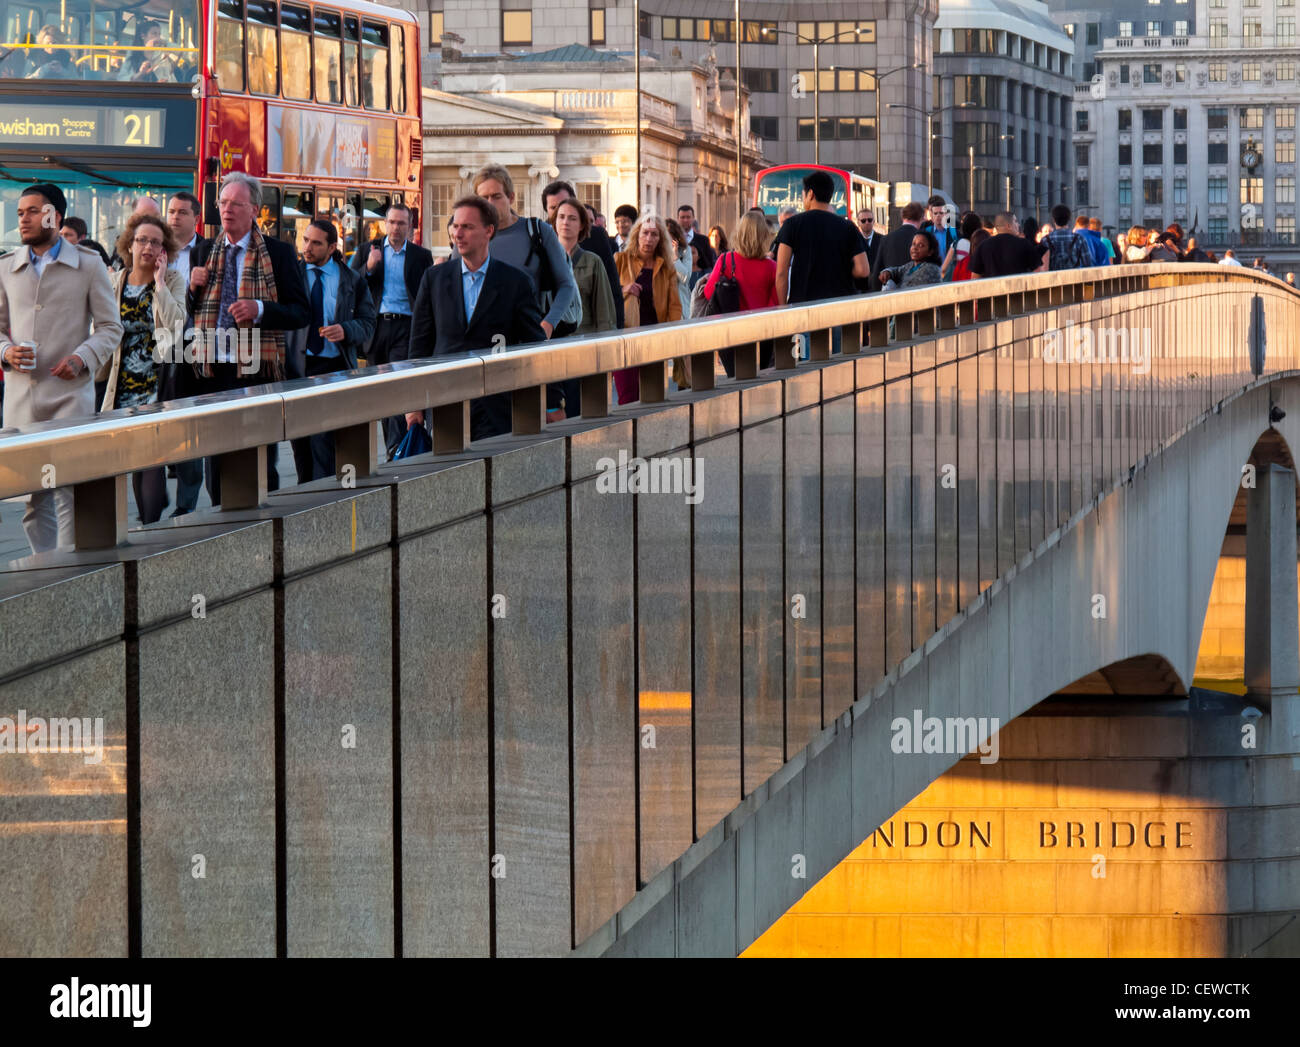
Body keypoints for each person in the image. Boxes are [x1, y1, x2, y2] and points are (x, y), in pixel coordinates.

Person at [0, 183, 122, 553]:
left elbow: (110, 327)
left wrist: (82, 357)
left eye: (33, 211)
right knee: (33, 500)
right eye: (21, 212)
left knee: (70, 490)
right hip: (23, 399)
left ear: (55, 215)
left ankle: (70, 574)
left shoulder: (88, 264)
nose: (24, 218)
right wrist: (6, 351)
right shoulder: (6, 267)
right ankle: (43, 574)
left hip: (71, 397)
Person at [187, 171, 309, 504]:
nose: (227, 210)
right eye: (222, 203)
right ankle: (220, 523)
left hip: (258, 370)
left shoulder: (279, 253)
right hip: (212, 369)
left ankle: (261, 525)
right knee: (217, 461)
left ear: (254, 209)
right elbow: (191, 313)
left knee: (258, 461)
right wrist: (191, 288)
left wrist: (260, 308)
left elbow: (301, 312)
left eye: (236, 204)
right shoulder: (204, 252)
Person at [405, 195, 546, 441]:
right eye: (455, 226)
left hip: (497, 406)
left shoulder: (516, 282)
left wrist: (551, 402)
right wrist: (414, 402)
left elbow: (534, 345)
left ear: (489, 231)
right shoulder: (434, 278)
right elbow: (420, 344)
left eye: (467, 227)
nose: (458, 234)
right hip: (445, 401)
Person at [455, 165, 578, 419]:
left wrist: (548, 324)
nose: (489, 203)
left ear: (511, 197)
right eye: (483, 198)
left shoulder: (537, 231)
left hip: (528, 342)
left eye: (496, 196)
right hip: (483, 351)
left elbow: (566, 285)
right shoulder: (468, 236)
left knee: (533, 419)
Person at [98, 212, 186, 523]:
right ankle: (150, 509)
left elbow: (176, 325)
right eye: (141, 240)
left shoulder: (173, 281)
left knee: (151, 455)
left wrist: (160, 285)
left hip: (157, 381)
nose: (147, 247)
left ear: (165, 250)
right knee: (133, 456)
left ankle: (149, 523)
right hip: (119, 382)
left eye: (155, 242)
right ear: (129, 245)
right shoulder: (113, 282)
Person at [287, 219, 376, 481]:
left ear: (331, 247)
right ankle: (306, 496)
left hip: (333, 369)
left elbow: (369, 323)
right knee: (300, 442)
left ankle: (321, 499)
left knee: (322, 440)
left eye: (316, 243)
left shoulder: (351, 280)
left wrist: (346, 330)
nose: (308, 247)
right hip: (298, 369)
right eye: (305, 240)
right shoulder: (293, 274)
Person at [350, 201, 432, 451]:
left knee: (398, 382)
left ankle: (396, 444)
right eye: (392, 222)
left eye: (401, 223)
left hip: (406, 326)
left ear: (409, 227)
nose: (396, 228)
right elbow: (350, 284)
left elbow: (427, 293)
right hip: (376, 328)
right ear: (385, 224)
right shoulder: (368, 250)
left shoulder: (421, 255)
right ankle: (393, 444)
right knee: (383, 388)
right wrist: (369, 267)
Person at [161, 191, 209, 514]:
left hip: (196, 346)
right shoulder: (153, 248)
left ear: (196, 218)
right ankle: (153, 496)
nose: (175, 217)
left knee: (191, 422)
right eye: (171, 211)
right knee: (161, 423)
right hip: (160, 345)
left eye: (182, 212)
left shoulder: (209, 251)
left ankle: (186, 504)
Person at [774, 170, 870, 307]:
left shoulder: (792, 224)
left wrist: (783, 307)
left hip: (802, 305)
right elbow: (863, 270)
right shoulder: (848, 227)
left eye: (803, 195)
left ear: (811, 194)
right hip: (839, 306)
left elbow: (782, 273)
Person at [614, 215, 681, 404]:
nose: (649, 239)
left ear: (660, 239)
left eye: (654, 235)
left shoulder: (666, 267)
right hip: (626, 338)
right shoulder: (620, 260)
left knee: (654, 396)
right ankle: (628, 432)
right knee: (628, 396)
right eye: (645, 233)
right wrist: (624, 289)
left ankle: (649, 433)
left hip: (654, 337)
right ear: (637, 235)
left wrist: (673, 335)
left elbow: (674, 305)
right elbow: (607, 295)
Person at [702, 211, 777, 377]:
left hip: (730, 333)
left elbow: (709, 294)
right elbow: (776, 303)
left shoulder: (725, 260)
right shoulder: (772, 267)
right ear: (764, 235)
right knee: (760, 378)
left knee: (735, 379)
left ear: (739, 233)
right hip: (762, 334)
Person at [542, 179, 622, 328]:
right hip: (551, 341)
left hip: (584, 339)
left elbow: (604, 311)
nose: (566, 222)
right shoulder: (541, 259)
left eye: (572, 218)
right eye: (561, 217)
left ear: (581, 225)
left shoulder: (593, 262)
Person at [969, 212, 1045, 278]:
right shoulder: (1024, 244)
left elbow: (975, 277)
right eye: (1015, 221)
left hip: (993, 293)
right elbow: (1038, 271)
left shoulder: (983, 246)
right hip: (1018, 292)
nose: (1018, 224)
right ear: (1008, 226)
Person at [1041, 205, 1092, 271]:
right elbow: (1087, 264)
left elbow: (1042, 266)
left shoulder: (1045, 240)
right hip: (1074, 279)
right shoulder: (1079, 239)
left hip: (1054, 279)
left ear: (1054, 219)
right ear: (1069, 219)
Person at [878, 201, 926, 272]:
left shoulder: (886, 239)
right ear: (921, 218)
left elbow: (877, 272)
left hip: (892, 281)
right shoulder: (925, 240)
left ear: (902, 217)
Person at [676, 204, 715, 273]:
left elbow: (709, 265)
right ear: (677, 219)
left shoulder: (703, 240)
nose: (685, 220)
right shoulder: (673, 240)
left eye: (688, 217)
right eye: (682, 217)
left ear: (693, 218)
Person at [854, 209, 883, 292]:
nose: (867, 222)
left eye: (869, 220)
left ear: (874, 221)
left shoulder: (883, 239)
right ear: (858, 222)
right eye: (863, 221)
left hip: (878, 287)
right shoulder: (853, 241)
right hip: (858, 287)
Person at [949, 212, 983, 282]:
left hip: (956, 283)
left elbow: (943, 269)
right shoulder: (978, 246)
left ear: (963, 227)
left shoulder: (955, 244)